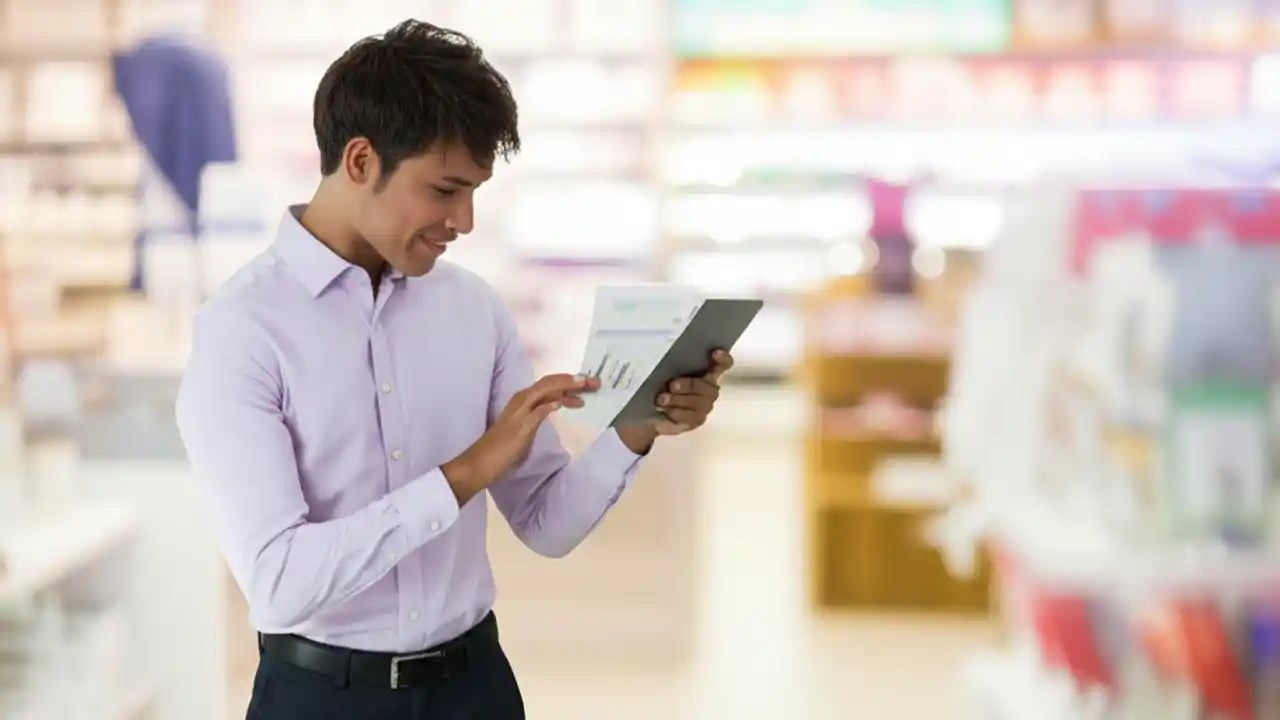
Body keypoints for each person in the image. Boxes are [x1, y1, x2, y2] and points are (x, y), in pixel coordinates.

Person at [174, 19, 732, 720]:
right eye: (444, 190)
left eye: (474, 192)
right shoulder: (242, 332)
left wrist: (637, 427)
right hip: (321, 700)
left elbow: (547, 524)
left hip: (476, 690)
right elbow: (279, 582)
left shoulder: (473, 311)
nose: (464, 220)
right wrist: (464, 473)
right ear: (359, 161)